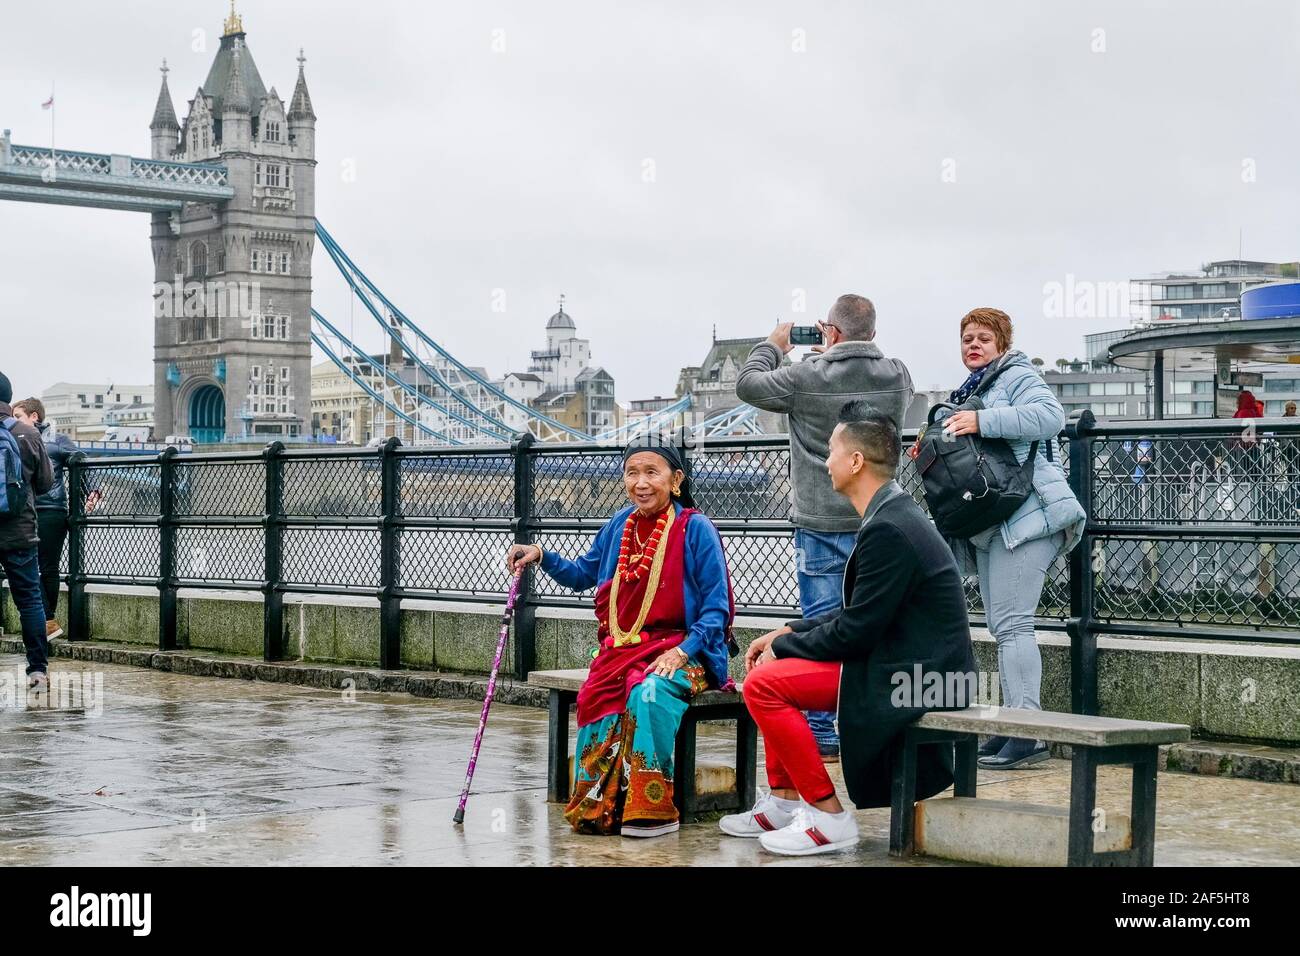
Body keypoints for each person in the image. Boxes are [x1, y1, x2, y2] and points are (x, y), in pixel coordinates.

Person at [719, 402, 976, 855]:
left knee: (764, 686)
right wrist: (787, 630)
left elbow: (856, 632)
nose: (827, 460)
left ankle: (828, 817)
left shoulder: (890, 528)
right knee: (767, 676)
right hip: (904, 661)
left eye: (832, 450)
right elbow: (856, 613)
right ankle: (782, 803)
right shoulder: (891, 513)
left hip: (918, 679)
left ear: (856, 461)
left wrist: (787, 644)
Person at [505, 439, 734, 838]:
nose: (641, 482)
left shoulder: (695, 528)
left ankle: (651, 808)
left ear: (676, 479)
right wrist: (540, 554)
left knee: (649, 691)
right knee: (597, 692)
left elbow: (717, 610)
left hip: (687, 651)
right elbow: (582, 574)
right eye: (632, 473)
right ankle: (602, 806)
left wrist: (682, 652)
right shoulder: (619, 526)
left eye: (652, 472)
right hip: (624, 650)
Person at [736, 294, 914, 761]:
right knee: (874, 624)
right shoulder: (898, 374)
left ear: (829, 331)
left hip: (818, 518)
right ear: (872, 333)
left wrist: (774, 345)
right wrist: (835, 353)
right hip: (877, 517)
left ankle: (824, 733)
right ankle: (870, 721)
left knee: (822, 622)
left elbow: (748, 385)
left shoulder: (804, 377)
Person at [919, 308, 1085, 769]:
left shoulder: (1016, 373)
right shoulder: (976, 387)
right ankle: (1012, 725)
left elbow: (1050, 417)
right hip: (998, 523)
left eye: (984, 339)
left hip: (1029, 518)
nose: (973, 345)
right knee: (1001, 627)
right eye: (967, 338)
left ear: (1002, 344)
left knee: (1014, 625)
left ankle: (1027, 732)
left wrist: (980, 421)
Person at [12, 398, 86, 640]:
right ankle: (48, 622)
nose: (15, 420)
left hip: (52, 510)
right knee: (30, 568)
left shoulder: (57, 440)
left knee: (48, 568)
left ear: (34, 416)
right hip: (27, 510)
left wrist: (91, 492)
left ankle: (48, 620)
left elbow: (80, 460)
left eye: (19, 415)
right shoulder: (15, 439)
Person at [0, 372, 56, 690]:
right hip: (20, 530)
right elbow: (46, 484)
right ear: (9, 398)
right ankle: (37, 670)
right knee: (30, 601)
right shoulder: (26, 433)